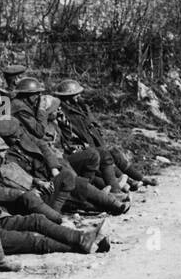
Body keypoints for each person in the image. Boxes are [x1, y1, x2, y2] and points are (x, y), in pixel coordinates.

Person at [7, 78, 131, 214]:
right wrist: (42, 110)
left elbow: (62, 139)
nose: (38, 98)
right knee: (73, 179)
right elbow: (39, 134)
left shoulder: (31, 113)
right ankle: (107, 201)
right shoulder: (22, 112)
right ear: (27, 95)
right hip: (46, 165)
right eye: (36, 94)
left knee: (87, 165)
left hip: (55, 158)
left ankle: (107, 198)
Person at [0, 135, 108, 253]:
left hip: (32, 196)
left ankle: (75, 231)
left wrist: (39, 182)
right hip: (14, 205)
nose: (5, 152)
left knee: (66, 176)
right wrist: (23, 193)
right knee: (34, 219)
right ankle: (62, 222)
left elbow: (23, 177)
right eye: (2, 150)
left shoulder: (4, 163)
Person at [52, 79, 157, 189]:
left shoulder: (81, 107)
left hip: (93, 143)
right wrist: (85, 147)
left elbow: (93, 124)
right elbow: (68, 137)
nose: (79, 96)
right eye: (76, 94)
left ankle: (139, 178)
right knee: (103, 157)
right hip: (79, 150)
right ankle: (122, 185)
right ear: (67, 96)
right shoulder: (61, 113)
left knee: (113, 152)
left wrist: (97, 135)